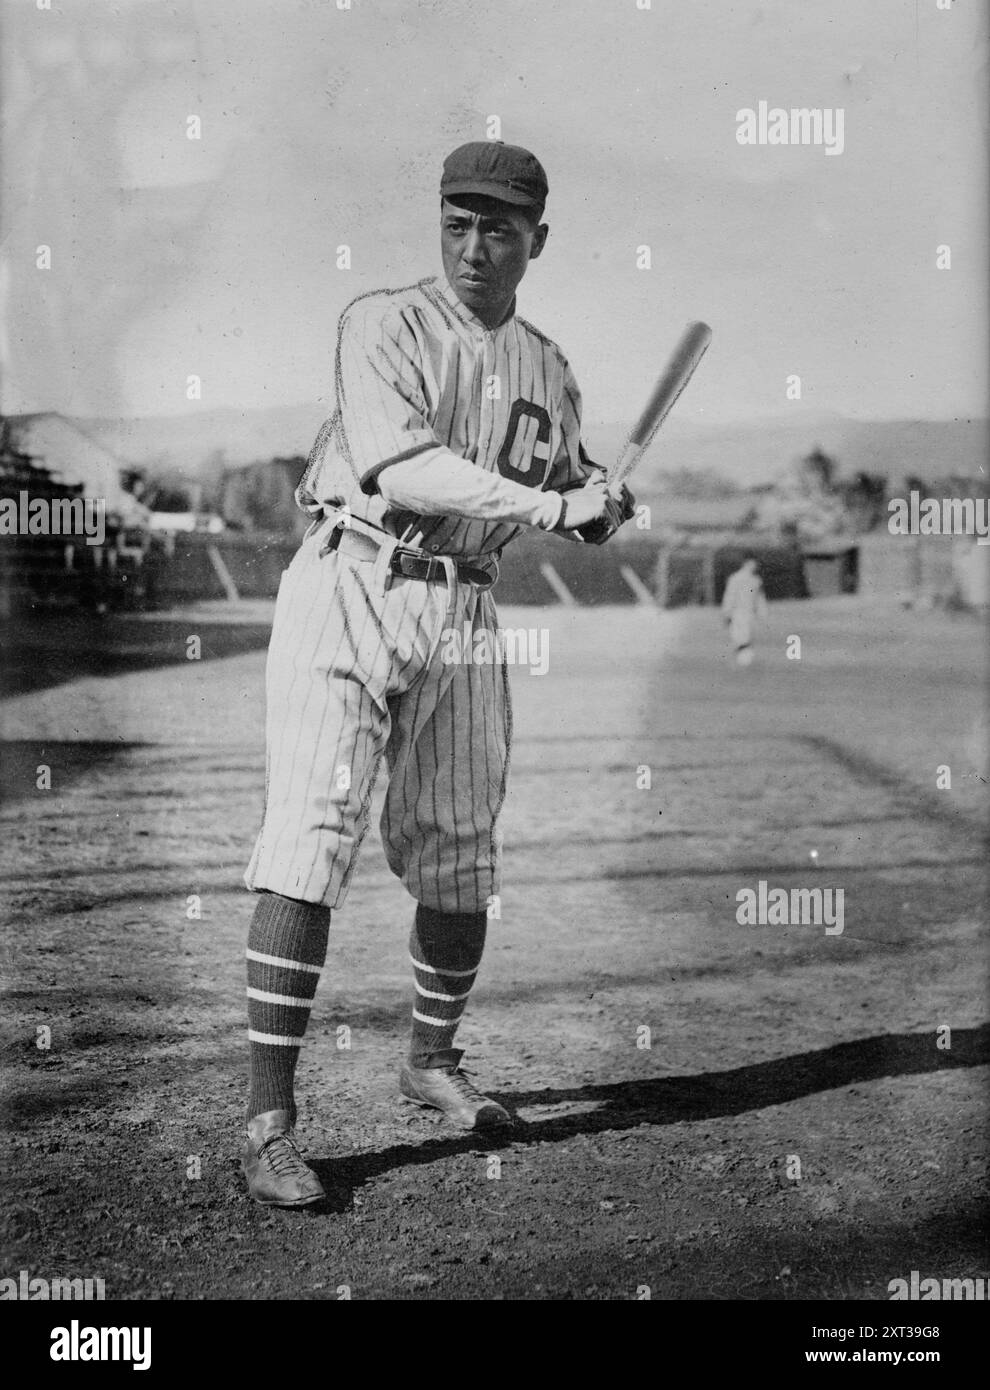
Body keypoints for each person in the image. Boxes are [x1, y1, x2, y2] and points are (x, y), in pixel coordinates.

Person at [240, 140, 635, 1206]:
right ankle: (269, 1119)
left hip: (464, 606)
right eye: (457, 221)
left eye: (498, 226)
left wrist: (600, 497)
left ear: (535, 241)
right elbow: (407, 463)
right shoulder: (384, 322)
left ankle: (431, 1059)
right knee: (312, 835)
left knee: (460, 854)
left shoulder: (550, 367)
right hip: (353, 579)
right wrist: (557, 506)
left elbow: (564, 480)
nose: (473, 243)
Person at [721, 555, 767, 665]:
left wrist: (762, 611)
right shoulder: (735, 578)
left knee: (746, 637)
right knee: (739, 637)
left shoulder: (756, 580)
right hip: (737, 612)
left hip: (749, 613)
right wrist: (727, 612)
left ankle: (744, 661)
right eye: (751, 564)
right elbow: (730, 596)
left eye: (755, 564)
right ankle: (742, 660)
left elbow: (759, 598)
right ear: (745, 563)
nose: (754, 566)